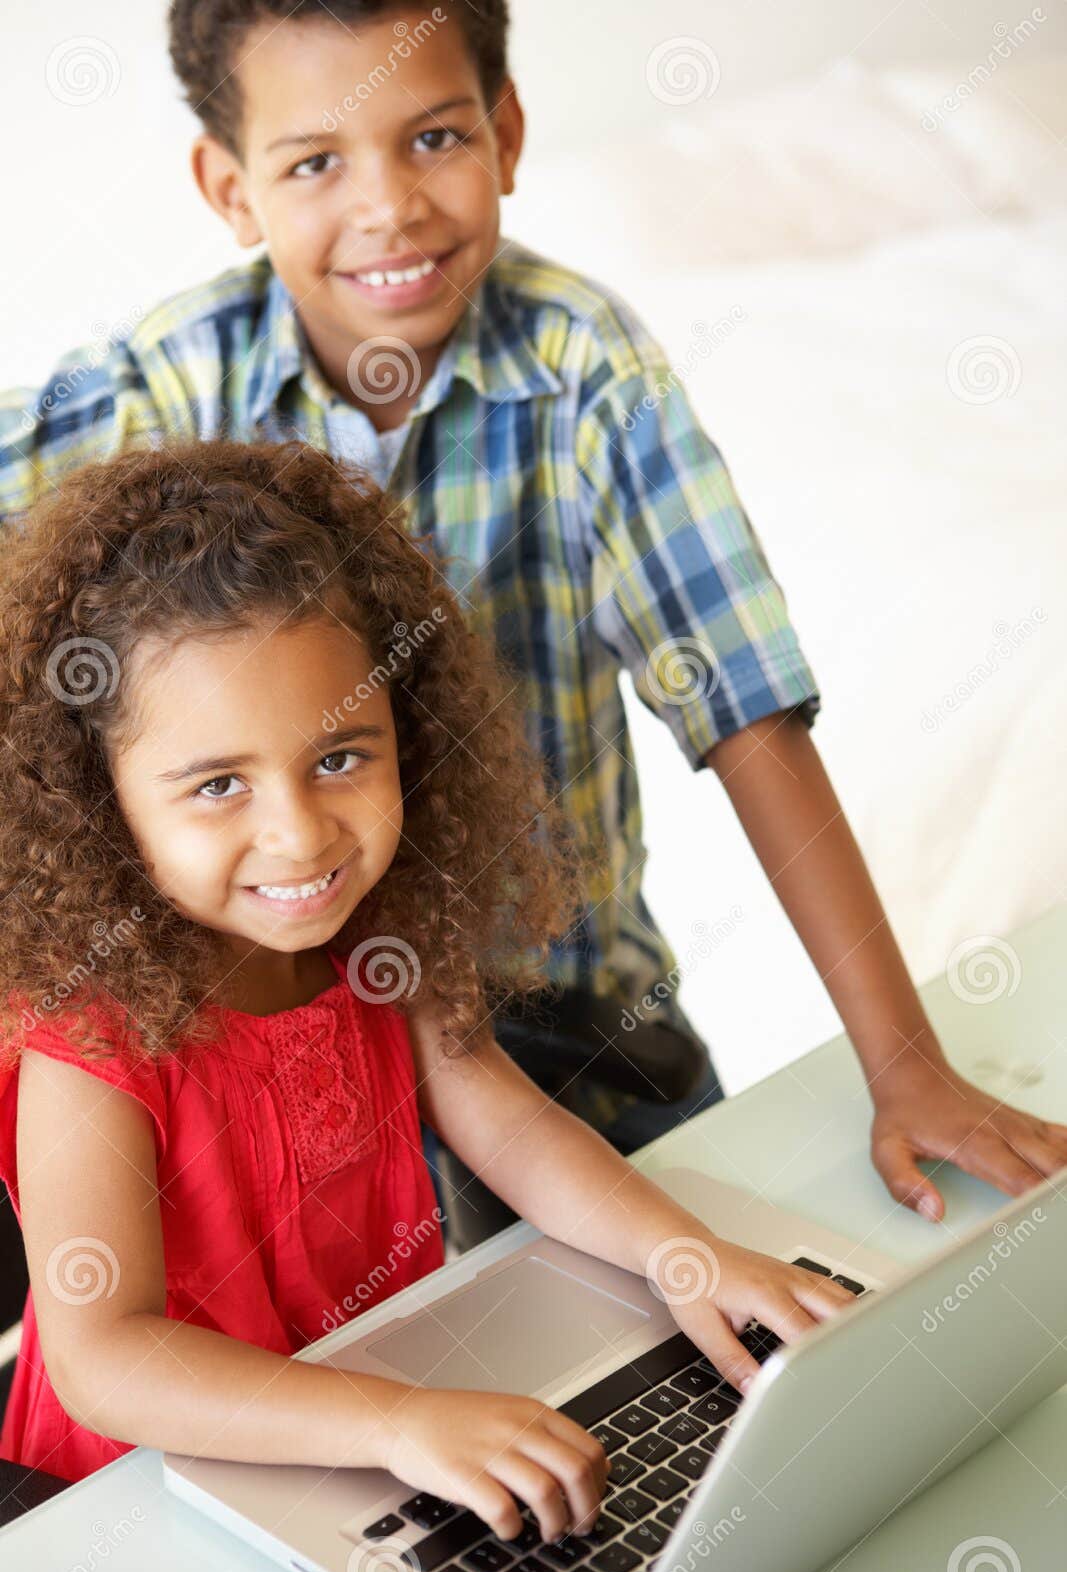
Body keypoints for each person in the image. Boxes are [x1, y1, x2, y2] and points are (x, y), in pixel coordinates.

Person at [1, 3, 1063, 1252]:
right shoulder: (164, 382)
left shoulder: (586, 374)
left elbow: (748, 713)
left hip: (555, 1011)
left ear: (504, 132)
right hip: (264, 1017)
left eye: (434, 136)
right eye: (315, 163)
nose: (389, 205)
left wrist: (900, 1061)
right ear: (231, 189)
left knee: (726, 1301)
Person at [0, 440, 858, 1526]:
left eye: (340, 757)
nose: (299, 833)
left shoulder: (378, 935)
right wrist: (394, 1421)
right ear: (100, 802)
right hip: (135, 1504)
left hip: (369, 1453)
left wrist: (681, 1255)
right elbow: (103, 1358)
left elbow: (502, 1123)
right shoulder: (91, 1031)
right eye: (218, 784)